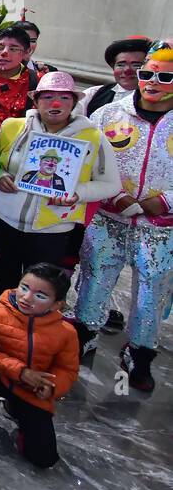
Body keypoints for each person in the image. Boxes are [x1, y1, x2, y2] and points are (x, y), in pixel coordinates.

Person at [74, 42, 173, 391]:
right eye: (147, 73)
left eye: (165, 76)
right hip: (108, 218)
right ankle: (83, 333)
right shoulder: (108, 115)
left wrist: (166, 201)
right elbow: (85, 163)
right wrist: (113, 194)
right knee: (95, 277)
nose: (152, 81)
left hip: (161, 229)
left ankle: (140, 353)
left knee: (153, 290)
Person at [0, 72, 119, 305]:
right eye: (47, 97)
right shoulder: (11, 127)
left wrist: (78, 193)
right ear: (35, 101)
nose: (55, 104)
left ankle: (29, 338)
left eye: (64, 98)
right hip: (3, 222)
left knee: (39, 292)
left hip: (51, 230)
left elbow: (111, 184)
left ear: (74, 103)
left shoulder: (93, 137)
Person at [0, 264, 79, 467]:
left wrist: (51, 387)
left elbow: (67, 370)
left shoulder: (66, 333)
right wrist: (21, 371)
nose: (26, 298)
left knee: (44, 459)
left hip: (30, 391)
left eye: (40, 296)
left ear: (57, 305)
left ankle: (18, 413)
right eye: (24, 287)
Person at [80, 35, 149, 117]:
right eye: (121, 65)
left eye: (136, 65)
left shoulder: (159, 101)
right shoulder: (92, 94)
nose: (127, 70)